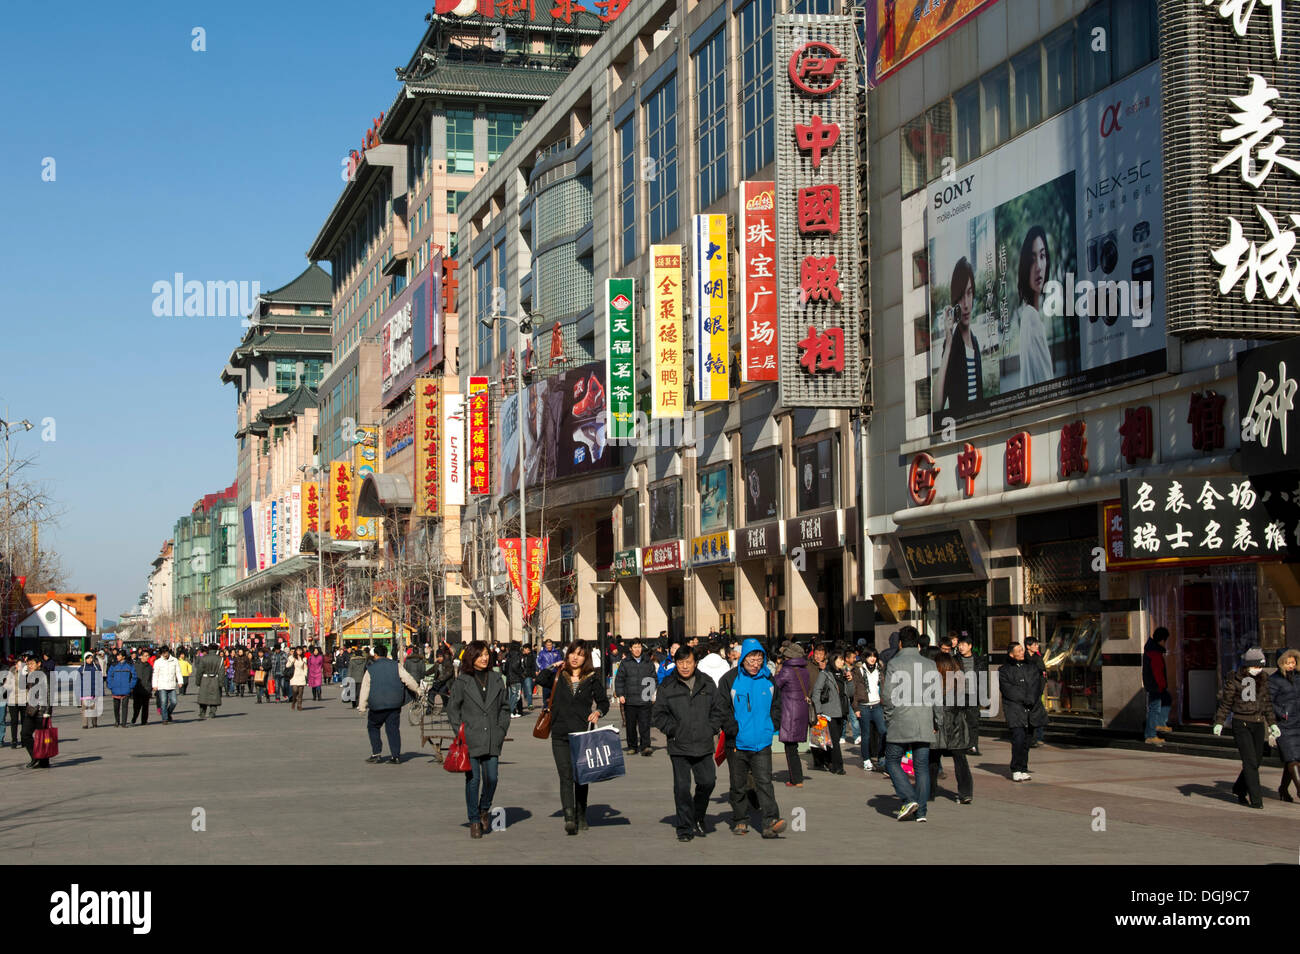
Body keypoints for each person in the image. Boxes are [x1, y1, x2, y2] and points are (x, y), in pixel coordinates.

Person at [652, 644, 725, 842]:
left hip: (703, 743)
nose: (685, 666)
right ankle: (684, 827)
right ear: (675, 663)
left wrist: (712, 728)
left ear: (695, 663)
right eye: (681, 662)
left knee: (708, 782)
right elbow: (658, 714)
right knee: (682, 788)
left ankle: (698, 815)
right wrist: (672, 729)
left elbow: (718, 709)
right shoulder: (667, 685)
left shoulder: (707, 683)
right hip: (679, 745)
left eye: (688, 662)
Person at [535, 642, 609, 834]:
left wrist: (598, 712)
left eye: (580, 654)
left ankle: (581, 814)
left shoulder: (592, 678)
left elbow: (604, 702)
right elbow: (541, 679)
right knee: (565, 776)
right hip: (559, 733)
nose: (575, 657)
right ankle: (569, 817)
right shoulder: (559, 675)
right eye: (572, 654)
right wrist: (554, 665)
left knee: (581, 777)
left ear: (586, 658)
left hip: (581, 734)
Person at [718, 639, 787, 838]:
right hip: (737, 742)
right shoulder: (730, 679)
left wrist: (772, 725)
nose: (756, 663)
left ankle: (770, 822)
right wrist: (732, 728)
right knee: (738, 784)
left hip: (762, 742)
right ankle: (740, 820)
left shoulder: (769, 679)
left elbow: (777, 705)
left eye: (759, 659)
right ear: (743, 658)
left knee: (764, 782)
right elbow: (721, 708)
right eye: (751, 659)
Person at [447, 641, 511, 838]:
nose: (484, 658)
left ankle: (485, 808)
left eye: (486, 654)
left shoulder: (497, 679)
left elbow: (505, 707)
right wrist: (460, 732)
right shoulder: (462, 681)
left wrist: (501, 729)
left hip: (492, 735)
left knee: (492, 777)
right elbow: (453, 709)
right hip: (470, 737)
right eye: (479, 655)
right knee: (473, 780)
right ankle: (474, 819)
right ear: (470, 657)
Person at [881, 627, 937, 821]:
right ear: (919, 644)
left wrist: (889, 717)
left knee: (892, 760)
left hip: (901, 719)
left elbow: (888, 696)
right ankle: (921, 811)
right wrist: (936, 719)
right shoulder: (930, 664)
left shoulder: (895, 663)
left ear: (900, 643)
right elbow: (936, 696)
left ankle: (908, 797)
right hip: (924, 719)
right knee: (921, 766)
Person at [1214, 647, 1280, 809]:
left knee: (1256, 760)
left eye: (1260, 666)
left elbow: (1266, 704)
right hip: (1241, 722)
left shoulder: (1264, 678)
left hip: (1258, 723)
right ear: (1247, 665)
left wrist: (1272, 724)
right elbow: (1227, 703)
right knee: (1249, 761)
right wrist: (1219, 722)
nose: (1258, 670)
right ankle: (1256, 800)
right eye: (1255, 666)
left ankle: (1238, 788)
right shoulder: (1235, 679)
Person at [935, 257, 984, 418]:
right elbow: (937, 406)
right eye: (961, 296)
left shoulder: (975, 342)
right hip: (960, 430)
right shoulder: (952, 344)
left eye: (969, 293)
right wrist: (948, 345)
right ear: (954, 301)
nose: (966, 304)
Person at [357, 643, 420, 764]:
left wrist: (362, 707)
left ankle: (376, 753)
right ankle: (395, 756)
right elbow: (408, 679)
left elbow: (365, 688)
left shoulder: (370, 669)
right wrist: (418, 690)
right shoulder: (396, 666)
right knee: (393, 729)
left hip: (376, 705)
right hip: (394, 704)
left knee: (373, 727)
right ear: (386, 654)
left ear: (375, 655)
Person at [1013, 225, 1054, 388]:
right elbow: (1046, 385)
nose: (1038, 266)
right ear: (1025, 267)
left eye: (1042, 256)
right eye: (1032, 260)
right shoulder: (1031, 319)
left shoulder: (1028, 316)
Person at [930, 653, 974, 804]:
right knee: (960, 759)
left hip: (939, 726)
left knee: (933, 759)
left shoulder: (935, 684)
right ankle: (965, 793)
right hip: (957, 727)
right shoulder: (958, 682)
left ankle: (929, 791)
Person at [999, 642, 1046, 781]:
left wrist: (1031, 698)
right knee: (1018, 738)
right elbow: (1008, 690)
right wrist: (1024, 698)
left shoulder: (1031, 667)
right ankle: (1016, 768)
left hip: (1031, 709)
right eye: (1018, 651)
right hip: (1014, 709)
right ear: (1011, 654)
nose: (1021, 652)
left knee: (1027, 740)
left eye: (1022, 650)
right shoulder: (1004, 670)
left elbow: (1037, 684)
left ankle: (1023, 768)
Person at [773, 640, 812, 786]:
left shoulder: (787, 670)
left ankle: (796, 779)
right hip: (801, 710)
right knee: (793, 746)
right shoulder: (804, 670)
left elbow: (775, 685)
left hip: (790, 711)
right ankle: (797, 777)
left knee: (790, 748)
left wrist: (777, 672)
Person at [615, 636, 656, 756]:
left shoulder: (648, 661)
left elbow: (653, 677)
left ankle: (645, 746)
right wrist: (621, 694)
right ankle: (632, 746)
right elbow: (619, 680)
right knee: (631, 725)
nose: (637, 649)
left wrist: (649, 693)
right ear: (630, 649)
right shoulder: (625, 662)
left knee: (645, 724)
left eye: (639, 647)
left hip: (644, 699)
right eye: (635, 647)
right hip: (630, 699)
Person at [1269, 649, 1300, 802]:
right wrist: (1282, 713)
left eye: (1293, 663)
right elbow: (1268, 700)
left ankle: (1283, 789)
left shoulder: (1298, 677)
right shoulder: (1274, 680)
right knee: (1291, 758)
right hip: (1284, 724)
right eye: (1288, 663)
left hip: (1299, 722)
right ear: (1281, 663)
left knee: (1293, 759)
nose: (1291, 666)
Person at [810, 645, 846, 774]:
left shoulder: (843, 674)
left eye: (843, 659)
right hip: (828, 712)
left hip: (841, 712)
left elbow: (850, 693)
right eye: (840, 659)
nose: (843, 662)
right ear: (833, 660)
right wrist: (818, 711)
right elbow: (816, 692)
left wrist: (850, 680)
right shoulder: (825, 674)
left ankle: (826, 760)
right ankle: (838, 766)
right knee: (835, 741)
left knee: (831, 740)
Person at [853, 647, 886, 771]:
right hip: (864, 706)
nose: (872, 658)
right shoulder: (859, 671)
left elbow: (884, 687)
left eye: (874, 656)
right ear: (865, 658)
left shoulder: (880, 670)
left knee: (883, 731)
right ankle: (866, 759)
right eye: (869, 656)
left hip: (877, 705)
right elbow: (854, 691)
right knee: (866, 735)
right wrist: (856, 708)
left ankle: (881, 756)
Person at [19, 655, 53, 768]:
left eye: (32, 664)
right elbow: (22, 687)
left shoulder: (44, 675)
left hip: (41, 711)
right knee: (25, 734)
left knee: (42, 738)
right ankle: (35, 757)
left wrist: (47, 711)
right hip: (31, 710)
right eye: (28, 664)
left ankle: (43, 762)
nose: (30, 666)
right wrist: (23, 675)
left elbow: (49, 693)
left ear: (39, 664)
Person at [1142, 627, 1172, 746]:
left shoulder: (1153, 650)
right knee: (1154, 709)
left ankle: (1160, 724)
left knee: (1167, 700)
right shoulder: (1154, 652)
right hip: (1155, 686)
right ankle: (1150, 735)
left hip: (1155, 685)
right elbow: (1157, 672)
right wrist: (1162, 686)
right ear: (1162, 640)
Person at [955, 633, 983, 756]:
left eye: (963, 645)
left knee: (973, 722)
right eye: (959, 645)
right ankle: (960, 745)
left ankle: (972, 745)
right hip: (958, 695)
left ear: (970, 646)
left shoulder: (978, 660)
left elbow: (983, 678)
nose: (961, 647)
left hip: (973, 695)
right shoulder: (955, 659)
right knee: (959, 721)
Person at [1025, 635, 1048, 745]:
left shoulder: (1038, 658)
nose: (1036, 646)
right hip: (1026, 692)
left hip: (1037, 691)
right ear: (1028, 646)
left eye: (1037, 644)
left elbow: (1043, 674)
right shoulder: (1023, 658)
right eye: (1034, 644)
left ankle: (1038, 736)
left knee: (1038, 714)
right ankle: (1031, 737)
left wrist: (1040, 688)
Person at [193, 644, 224, 719]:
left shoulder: (204, 658)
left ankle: (202, 713)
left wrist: (198, 681)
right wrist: (221, 683)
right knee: (214, 696)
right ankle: (212, 712)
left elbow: (199, 671)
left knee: (203, 696)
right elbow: (222, 672)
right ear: (216, 650)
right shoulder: (220, 659)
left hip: (204, 679)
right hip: (215, 679)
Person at [106, 651, 136, 728]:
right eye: (117, 655)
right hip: (115, 689)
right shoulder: (113, 665)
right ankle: (117, 721)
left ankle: (124, 723)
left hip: (126, 689)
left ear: (123, 657)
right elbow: (109, 676)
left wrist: (131, 686)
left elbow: (134, 676)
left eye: (119, 655)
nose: (117, 657)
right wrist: (111, 685)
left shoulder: (129, 665)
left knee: (125, 707)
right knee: (116, 707)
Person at [153, 646, 182, 724]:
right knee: (163, 702)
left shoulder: (174, 660)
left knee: (174, 702)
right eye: (163, 653)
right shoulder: (158, 662)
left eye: (166, 652)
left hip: (172, 685)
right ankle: (164, 719)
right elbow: (155, 674)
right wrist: (154, 685)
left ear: (169, 652)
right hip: (162, 685)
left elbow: (178, 671)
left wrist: (180, 681)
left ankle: (168, 713)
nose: (165, 654)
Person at [77, 653, 102, 730]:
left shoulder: (96, 668)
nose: (90, 660)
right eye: (88, 658)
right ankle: (85, 724)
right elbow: (78, 682)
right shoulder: (81, 669)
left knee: (93, 708)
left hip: (94, 691)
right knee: (84, 709)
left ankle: (94, 722)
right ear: (85, 659)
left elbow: (99, 680)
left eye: (91, 658)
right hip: (84, 692)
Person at [536, 639, 562, 706]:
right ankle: (545, 706)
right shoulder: (542, 653)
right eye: (548, 645)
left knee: (555, 691)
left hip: (554, 673)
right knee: (546, 691)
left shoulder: (556, 652)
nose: (549, 646)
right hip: (546, 674)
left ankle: (554, 706)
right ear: (545, 645)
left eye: (550, 645)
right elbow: (537, 661)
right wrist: (542, 668)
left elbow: (560, 661)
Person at [131, 651, 154, 725]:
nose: (147, 657)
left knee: (145, 706)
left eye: (148, 655)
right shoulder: (136, 665)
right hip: (137, 689)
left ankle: (144, 721)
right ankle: (134, 719)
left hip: (146, 689)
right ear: (141, 656)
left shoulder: (149, 667)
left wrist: (150, 687)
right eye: (145, 655)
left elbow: (151, 678)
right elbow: (131, 676)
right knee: (136, 707)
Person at [503, 643, 525, 718]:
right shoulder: (517, 656)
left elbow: (505, 668)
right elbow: (515, 667)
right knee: (516, 695)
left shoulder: (508, 656)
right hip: (516, 678)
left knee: (511, 695)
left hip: (509, 678)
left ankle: (511, 711)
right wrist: (521, 673)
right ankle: (511, 711)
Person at [519, 643, 537, 712]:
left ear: (529, 650)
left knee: (529, 690)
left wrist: (534, 676)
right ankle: (527, 699)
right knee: (524, 692)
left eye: (526, 649)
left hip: (528, 675)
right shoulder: (520, 656)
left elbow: (533, 667)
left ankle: (530, 704)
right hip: (521, 675)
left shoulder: (532, 656)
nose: (525, 650)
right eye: (524, 649)